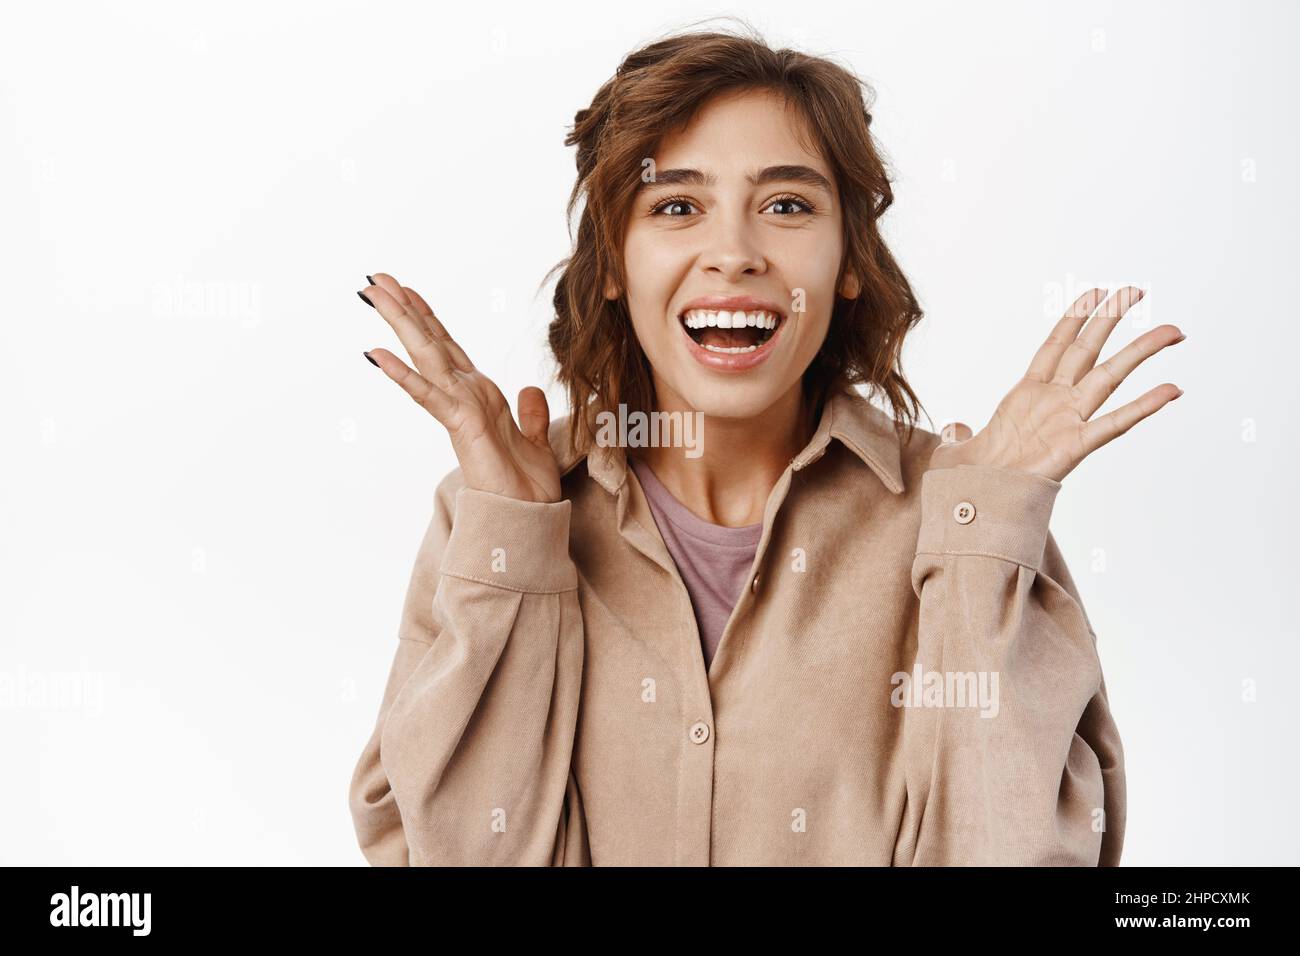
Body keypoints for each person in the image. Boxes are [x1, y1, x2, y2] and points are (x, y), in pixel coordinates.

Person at [346, 24, 1183, 866]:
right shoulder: (496, 513)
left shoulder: (967, 508)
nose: (735, 255)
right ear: (612, 263)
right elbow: (440, 852)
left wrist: (984, 541)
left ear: (848, 258)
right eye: (676, 205)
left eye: (787, 206)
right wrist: (514, 541)